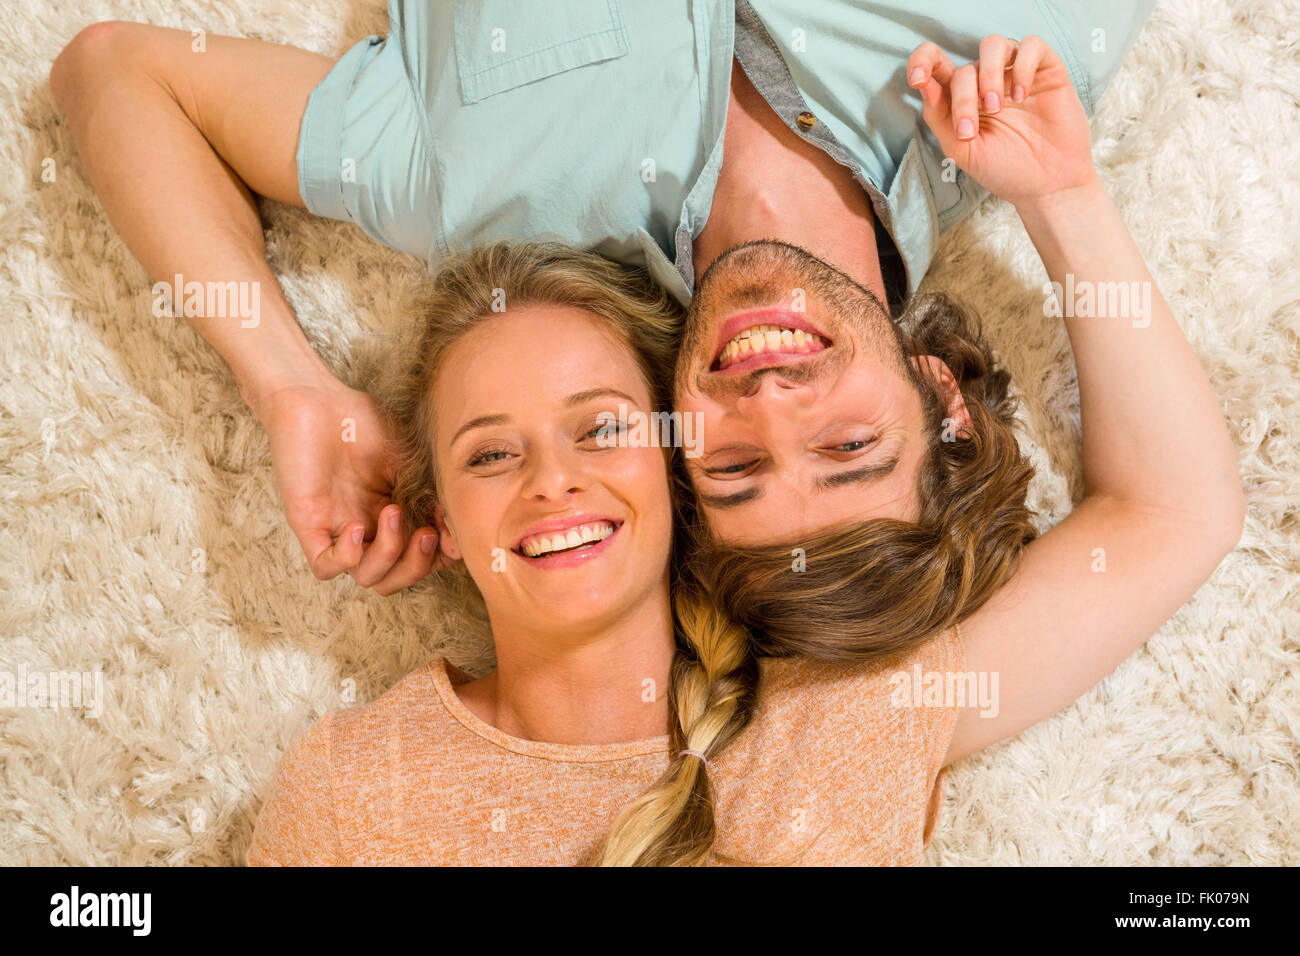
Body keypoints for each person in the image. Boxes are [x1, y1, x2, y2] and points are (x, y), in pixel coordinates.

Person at [48, 1, 1160, 593]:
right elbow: (1179, 511)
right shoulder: (1034, 46)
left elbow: (114, 74)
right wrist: (1065, 196)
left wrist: (291, 387)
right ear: (937, 394)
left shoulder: (480, 194)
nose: (773, 403)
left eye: (732, 466)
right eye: (848, 445)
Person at [245, 241, 967, 866]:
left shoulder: (845, 706)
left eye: (601, 430)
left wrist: (1057, 195)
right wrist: (290, 391)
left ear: (673, 465)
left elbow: (1089, 556)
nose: (552, 481)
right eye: (491, 454)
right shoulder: (354, 787)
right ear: (446, 523)